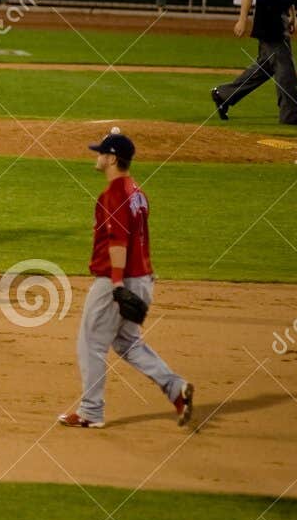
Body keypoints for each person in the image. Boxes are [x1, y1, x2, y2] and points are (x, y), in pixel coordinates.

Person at [58, 132, 195, 430]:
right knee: (127, 342)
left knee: (91, 343)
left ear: (111, 158)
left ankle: (91, 411)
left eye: (100, 153)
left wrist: (118, 283)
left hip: (116, 280)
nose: (97, 157)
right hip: (143, 277)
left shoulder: (115, 194)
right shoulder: (137, 192)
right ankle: (176, 389)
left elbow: (118, 241)